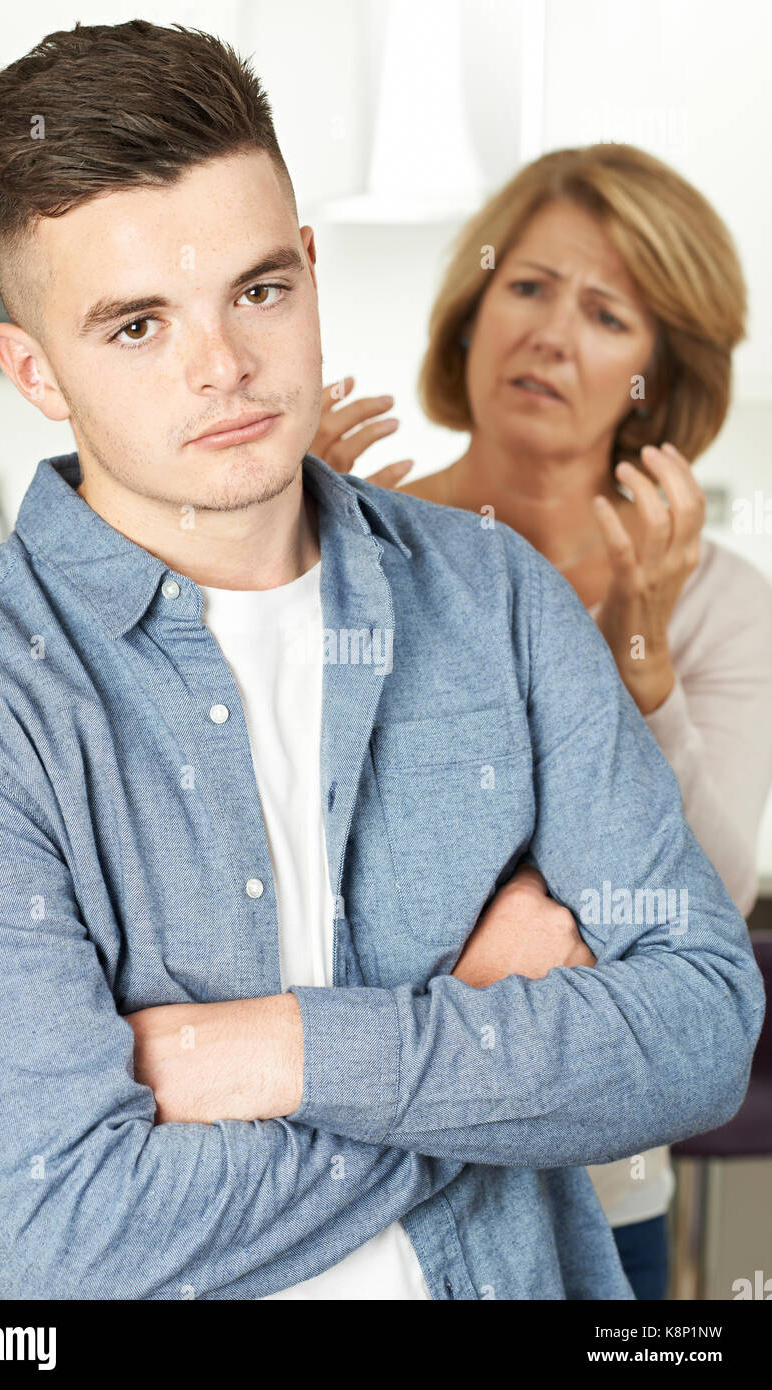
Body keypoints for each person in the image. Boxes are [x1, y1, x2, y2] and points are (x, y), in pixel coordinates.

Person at [0, 21, 763, 1302]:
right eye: (136, 325)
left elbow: (700, 1030)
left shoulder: (496, 597)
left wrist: (277, 1054)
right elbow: (69, 1237)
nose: (227, 368)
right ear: (34, 369)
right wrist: (472, 1038)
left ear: (309, 269)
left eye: (258, 290)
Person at [312, 142, 772, 1299]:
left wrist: (641, 660)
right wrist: (275, 567)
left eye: (608, 312)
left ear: (655, 378)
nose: (552, 336)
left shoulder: (724, 604)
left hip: (599, 1190)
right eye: (525, 287)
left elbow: (695, 918)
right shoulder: (341, 541)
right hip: (346, 1173)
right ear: (470, 318)